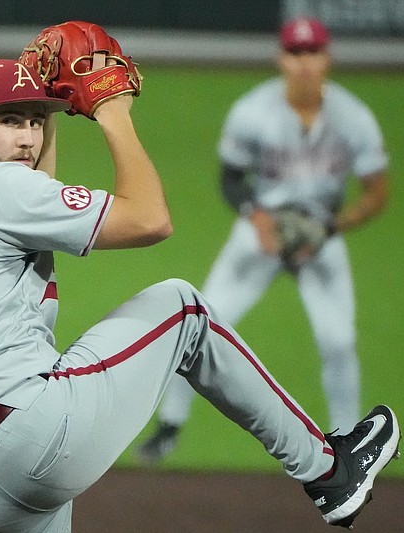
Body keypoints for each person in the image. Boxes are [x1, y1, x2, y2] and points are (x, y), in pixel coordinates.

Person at [0, 56, 399, 532]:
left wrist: (43, 95)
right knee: (184, 309)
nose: (28, 139)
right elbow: (151, 219)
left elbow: (33, 196)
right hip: (33, 441)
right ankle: (331, 472)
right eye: (10, 120)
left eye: (37, 122)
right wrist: (112, 112)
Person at [137, 16, 390, 466]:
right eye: (295, 53)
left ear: (327, 58)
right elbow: (230, 180)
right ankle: (168, 427)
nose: (305, 63)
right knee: (198, 324)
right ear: (282, 58)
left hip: (319, 237)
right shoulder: (252, 111)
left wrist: (331, 230)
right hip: (261, 232)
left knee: (339, 341)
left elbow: (377, 193)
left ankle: (352, 441)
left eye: (312, 52)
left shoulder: (355, 118)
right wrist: (255, 219)